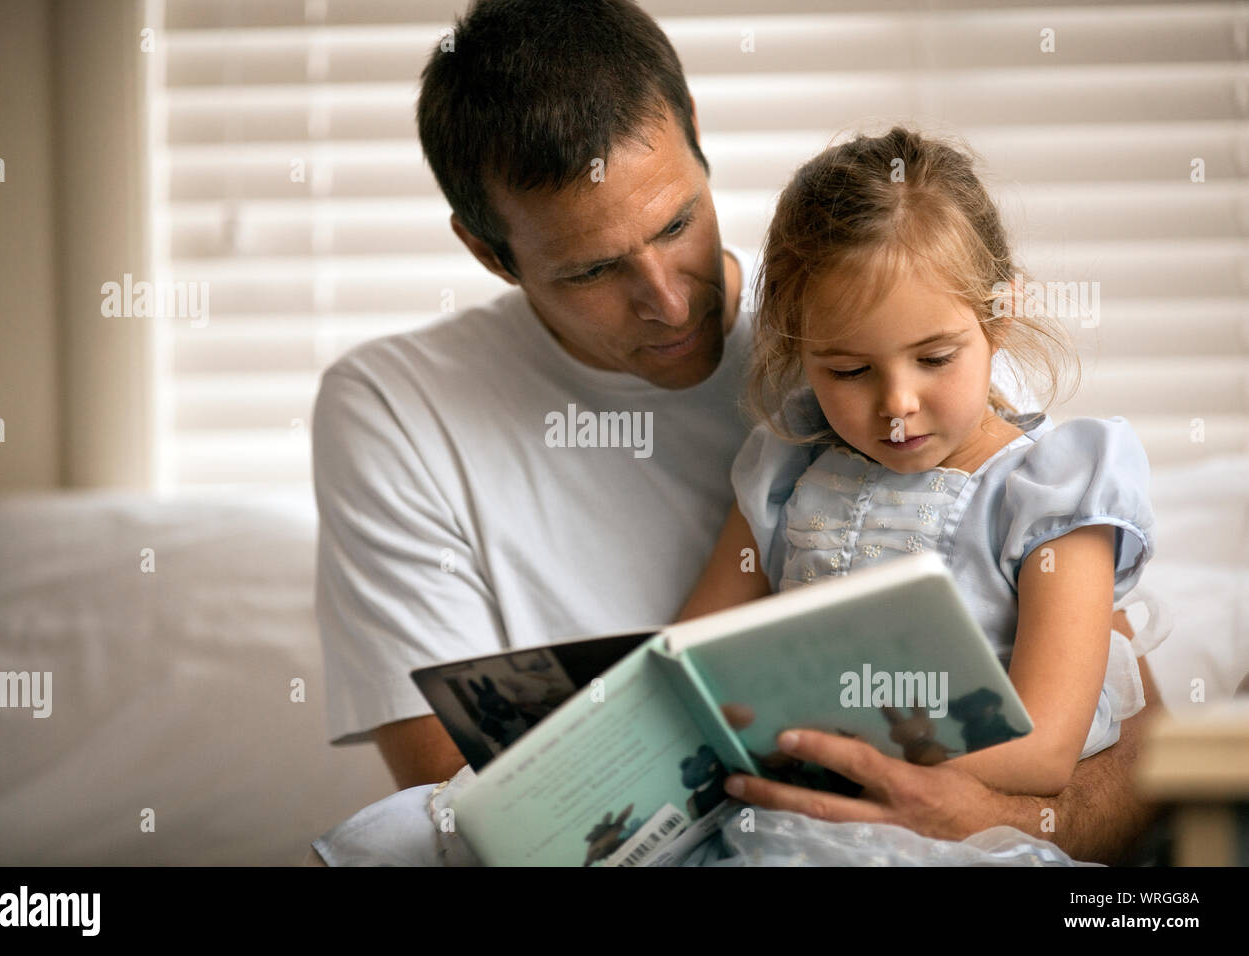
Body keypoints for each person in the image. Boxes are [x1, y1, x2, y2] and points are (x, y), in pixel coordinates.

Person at [306, 0, 1164, 867]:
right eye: (594, 270)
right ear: (489, 253)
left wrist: (965, 810)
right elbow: (467, 795)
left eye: (676, 223)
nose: (670, 303)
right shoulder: (392, 408)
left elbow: (1122, 748)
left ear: (696, 136)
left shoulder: (894, 322)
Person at [674, 127, 1172, 820]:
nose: (897, 404)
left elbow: (1045, 749)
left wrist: (839, 759)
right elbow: (685, 665)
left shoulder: (1055, 493)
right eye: (848, 371)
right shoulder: (786, 467)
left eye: (935, 358)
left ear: (1001, 315)